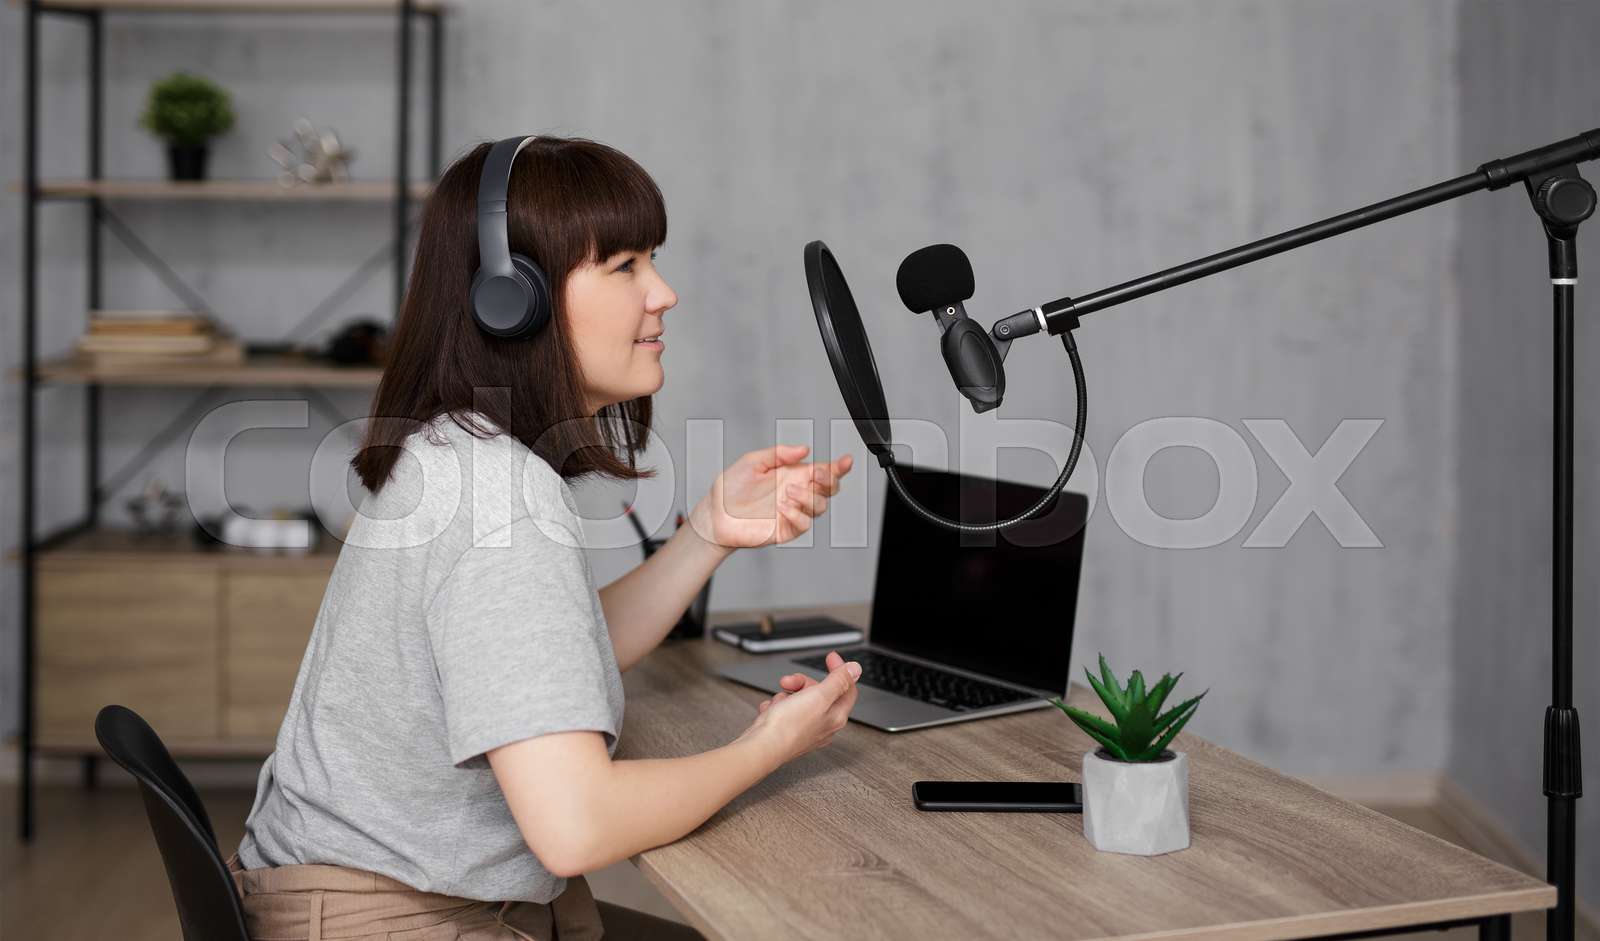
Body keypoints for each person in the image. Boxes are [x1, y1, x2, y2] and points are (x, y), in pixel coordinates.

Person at [230, 136, 861, 940]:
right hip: (393, 919)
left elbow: (534, 663)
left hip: (333, 896)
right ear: (510, 297)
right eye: (626, 265)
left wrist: (709, 532)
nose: (663, 292)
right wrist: (768, 745)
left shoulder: (456, 446)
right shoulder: (500, 498)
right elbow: (577, 826)